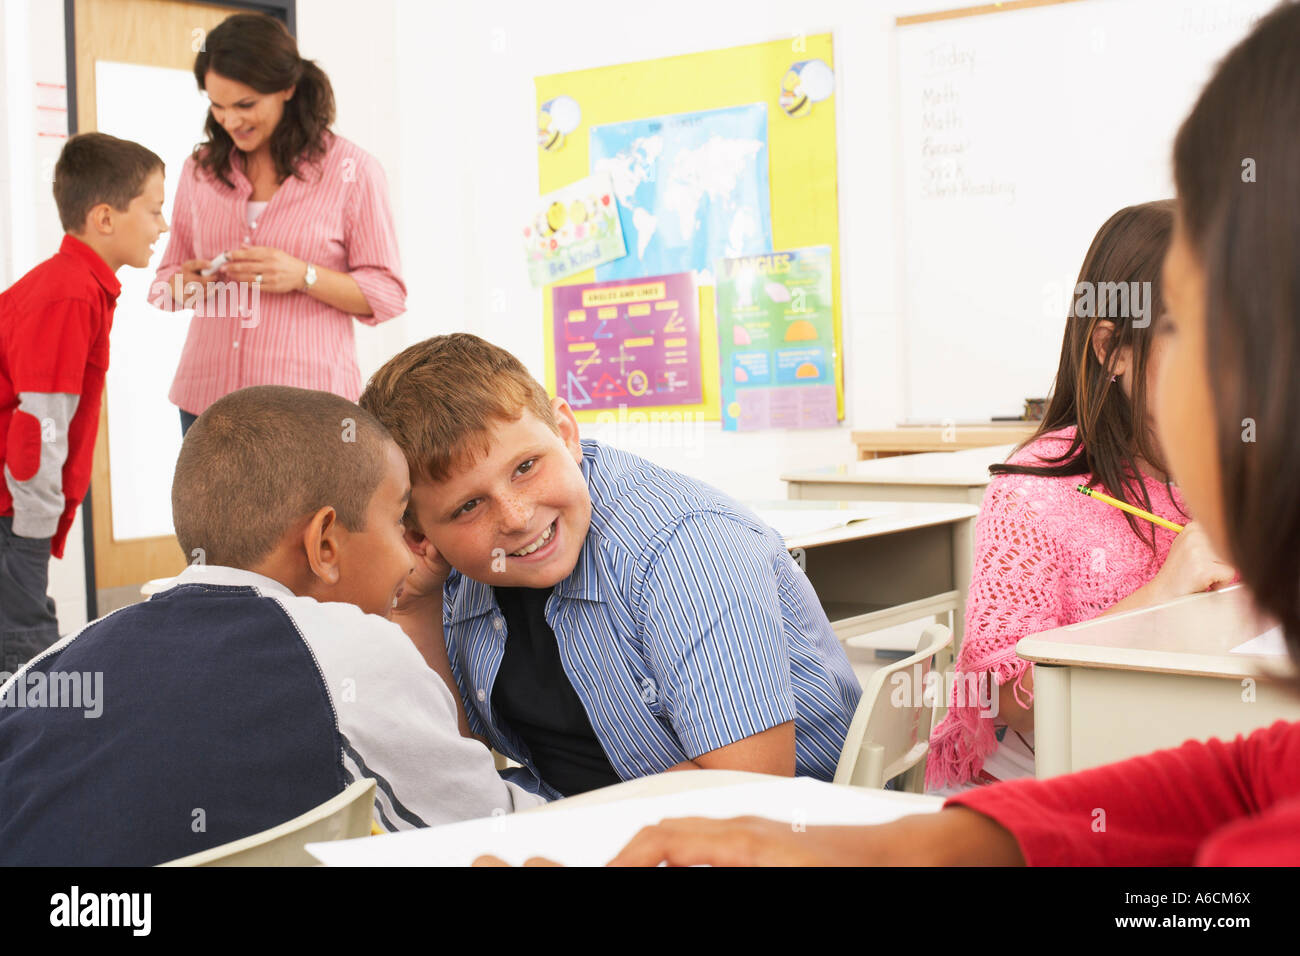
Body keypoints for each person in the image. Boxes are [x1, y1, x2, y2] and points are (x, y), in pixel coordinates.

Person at [603, 0, 1300, 866]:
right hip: (1038, 773)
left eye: (1206, 318)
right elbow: (1248, 775)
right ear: (1110, 352)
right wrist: (900, 850)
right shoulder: (1044, 489)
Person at [0, 386, 544, 866]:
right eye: (398, 519)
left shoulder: (43, 668)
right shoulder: (343, 652)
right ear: (325, 543)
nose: (411, 553)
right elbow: (491, 836)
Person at [359, 334, 862, 799]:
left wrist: (549, 824)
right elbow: (455, 767)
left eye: (526, 467)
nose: (516, 518)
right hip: (600, 822)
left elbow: (748, 795)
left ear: (565, 432)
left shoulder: (685, 549)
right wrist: (420, 604)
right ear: (421, 535)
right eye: (469, 507)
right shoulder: (456, 576)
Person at [926, 200, 1234, 791]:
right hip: (1051, 791)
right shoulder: (1033, 493)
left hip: (1174, 764)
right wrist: (1162, 596)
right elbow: (1007, 697)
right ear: (1111, 349)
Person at [149, 12, 405, 435]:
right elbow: (165, 286)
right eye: (218, 105)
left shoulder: (352, 170)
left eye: (245, 105)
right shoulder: (199, 171)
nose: (230, 121)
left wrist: (302, 275)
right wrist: (189, 284)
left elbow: (388, 294)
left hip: (306, 411)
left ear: (287, 87)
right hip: (206, 405)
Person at [0, 132, 165, 674]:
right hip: (12, 509)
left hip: (14, 506)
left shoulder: (81, 287)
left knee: (26, 644)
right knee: (28, 659)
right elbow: (40, 422)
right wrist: (36, 524)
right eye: (154, 209)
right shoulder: (69, 292)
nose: (162, 226)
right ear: (105, 218)